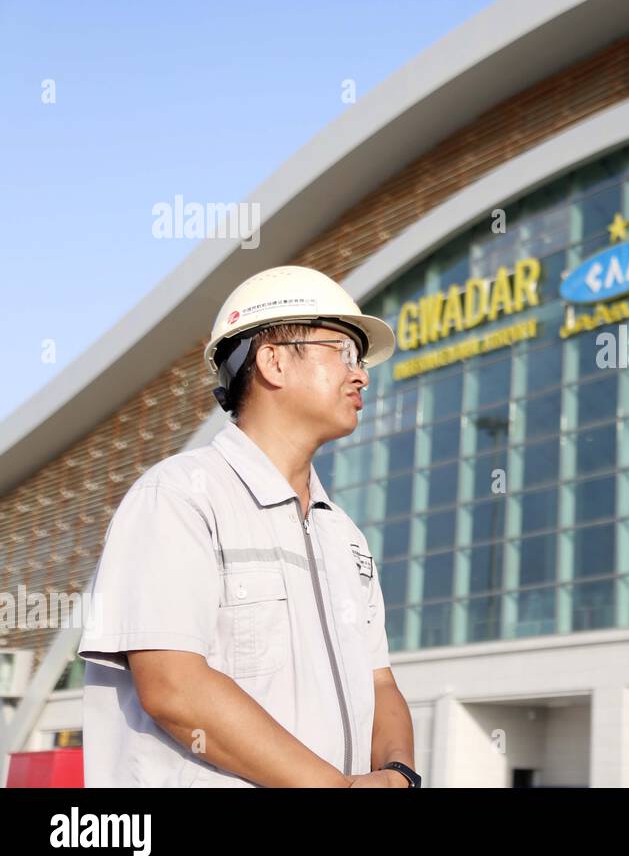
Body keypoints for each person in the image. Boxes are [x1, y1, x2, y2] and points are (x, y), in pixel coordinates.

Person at [78, 265, 420, 787]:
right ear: (274, 361)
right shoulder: (179, 497)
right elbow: (174, 685)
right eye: (344, 353)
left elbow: (379, 683)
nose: (362, 374)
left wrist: (398, 773)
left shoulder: (344, 537)